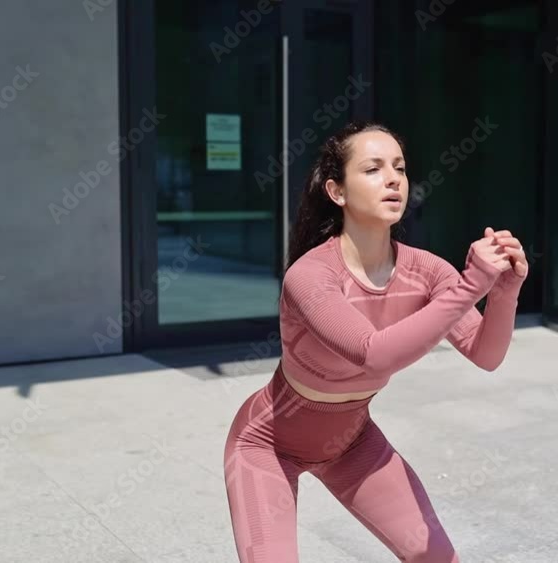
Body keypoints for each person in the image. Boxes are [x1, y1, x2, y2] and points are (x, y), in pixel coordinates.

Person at [223, 121, 527, 562]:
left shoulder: (427, 271)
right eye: (372, 169)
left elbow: (486, 355)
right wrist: (471, 287)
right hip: (267, 445)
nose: (393, 180)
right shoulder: (310, 276)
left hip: (352, 443)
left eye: (400, 168)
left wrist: (503, 292)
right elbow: (373, 354)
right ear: (337, 191)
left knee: (438, 558)